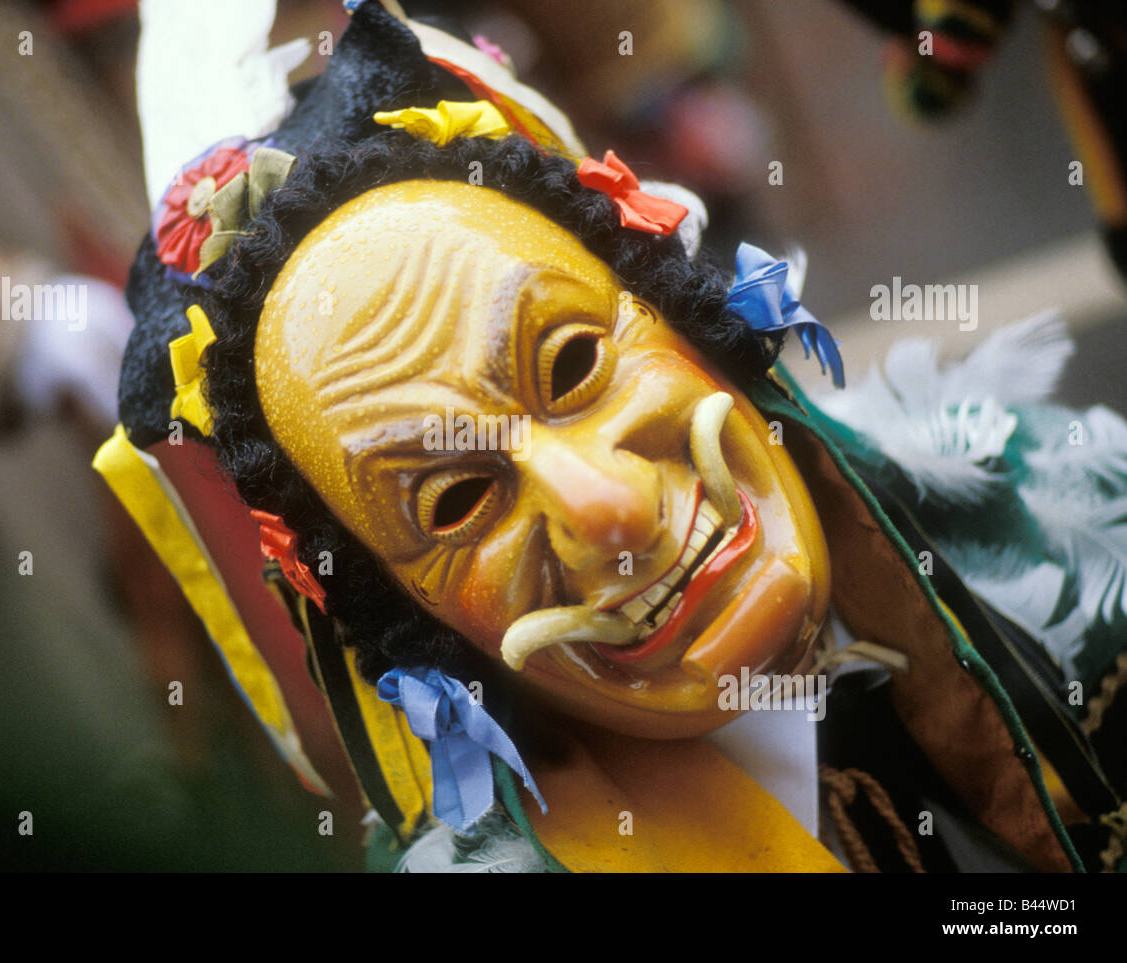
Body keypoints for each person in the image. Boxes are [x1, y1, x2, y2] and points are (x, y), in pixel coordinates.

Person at [103, 0, 1126, 872]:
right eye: (454, 501)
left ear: (678, 310)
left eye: (571, 366)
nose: (613, 511)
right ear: (395, 610)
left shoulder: (1072, 505)